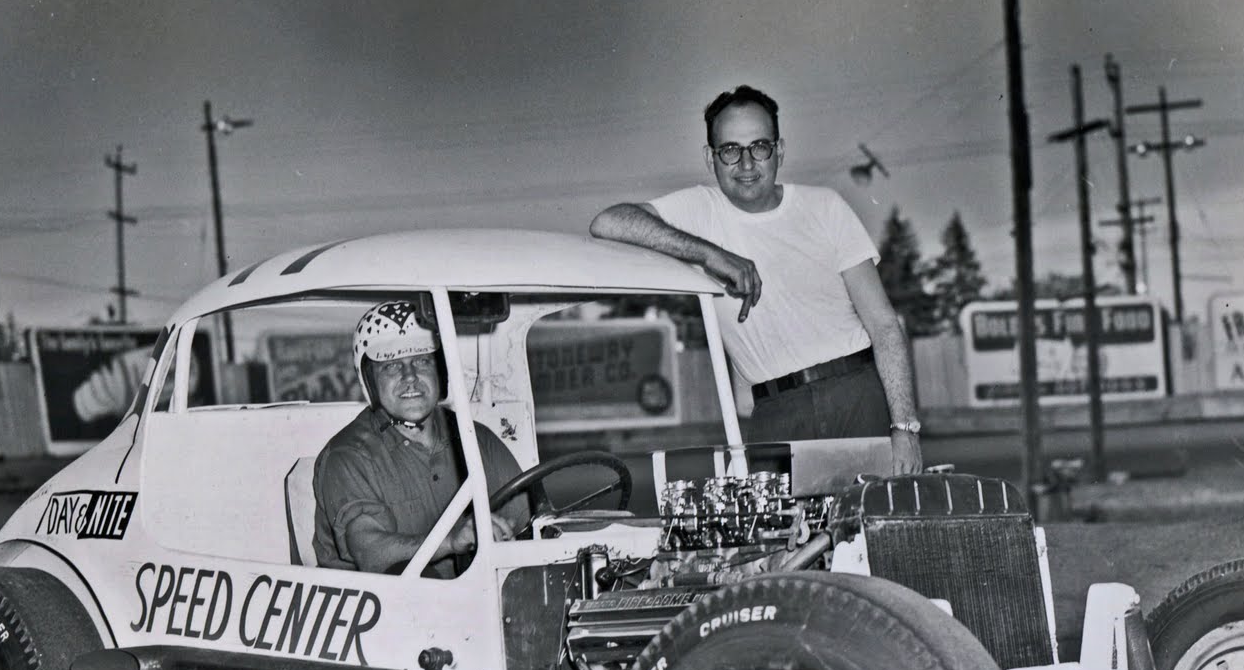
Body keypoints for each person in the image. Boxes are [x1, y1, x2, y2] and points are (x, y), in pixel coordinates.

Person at [590, 84, 924, 474]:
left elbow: (884, 325)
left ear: (779, 150)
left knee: (872, 514)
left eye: (759, 147)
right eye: (730, 150)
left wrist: (905, 428)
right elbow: (608, 223)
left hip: (857, 396)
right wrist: (711, 254)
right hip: (775, 414)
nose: (746, 164)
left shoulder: (825, 206)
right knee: (776, 517)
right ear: (710, 158)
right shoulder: (701, 211)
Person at [312, 300, 527, 575]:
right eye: (392, 365)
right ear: (370, 380)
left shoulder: (477, 438)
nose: (410, 376)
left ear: (441, 371)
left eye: (422, 360)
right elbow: (371, 554)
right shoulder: (348, 456)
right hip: (385, 600)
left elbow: (530, 520)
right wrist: (451, 540)